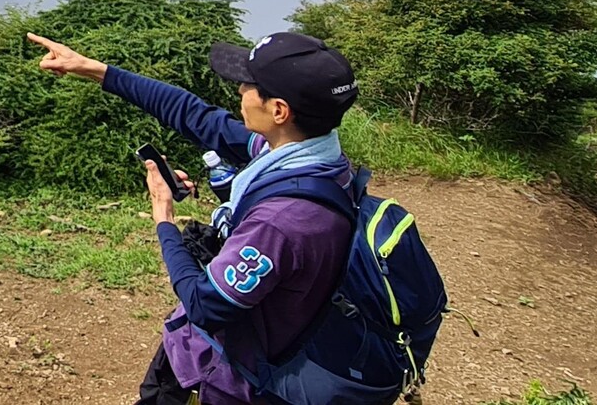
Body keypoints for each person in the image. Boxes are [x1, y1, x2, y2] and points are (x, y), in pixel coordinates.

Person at [31, 30, 362, 405]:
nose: (239, 91)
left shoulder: (281, 220)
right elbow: (195, 116)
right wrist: (93, 69)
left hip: (229, 380)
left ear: (279, 111)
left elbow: (205, 306)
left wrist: (164, 219)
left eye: (249, 86)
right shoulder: (316, 160)